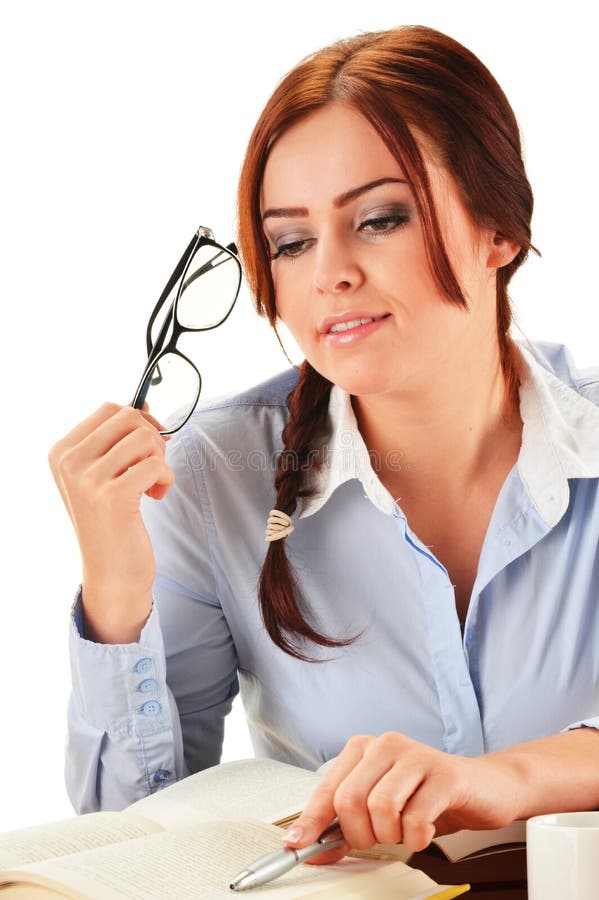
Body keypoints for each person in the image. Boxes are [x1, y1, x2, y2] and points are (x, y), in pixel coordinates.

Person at [49, 24, 599, 861]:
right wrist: (117, 600)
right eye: (291, 241)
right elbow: (134, 847)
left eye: (378, 220)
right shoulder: (212, 479)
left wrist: (504, 778)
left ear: (499, 228)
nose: (327, 274)